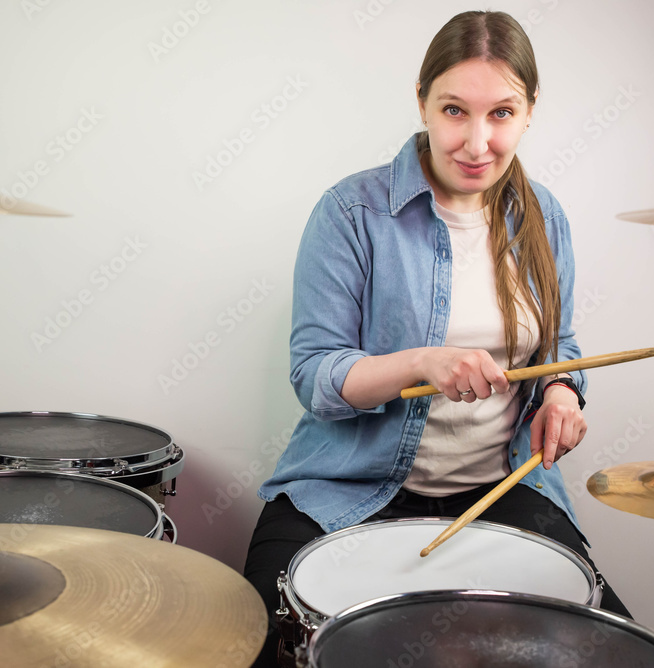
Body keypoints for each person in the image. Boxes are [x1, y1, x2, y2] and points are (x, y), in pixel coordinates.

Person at [243, 10, 629, 666]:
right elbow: (316, 376)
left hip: (503, 491)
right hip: (347, 489)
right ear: (421, 100)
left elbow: (560, 344)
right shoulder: (350, 212)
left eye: (501, 113)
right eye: (455, 110)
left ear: (531, 110)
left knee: (611, 647)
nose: (477, 142)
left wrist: (563, 392)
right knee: (260, 642)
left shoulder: (547, 219)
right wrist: (421, 361)